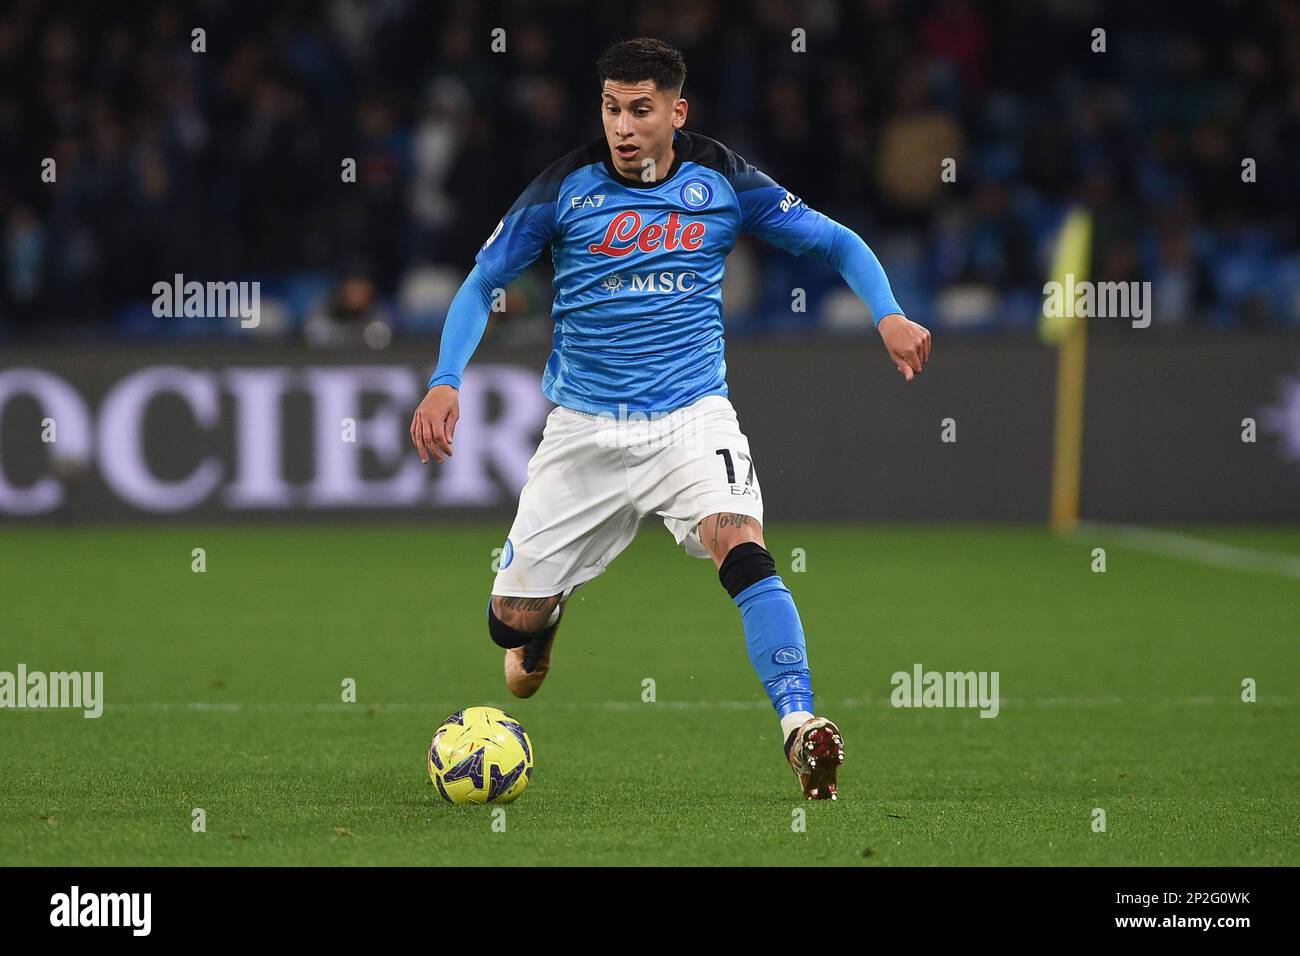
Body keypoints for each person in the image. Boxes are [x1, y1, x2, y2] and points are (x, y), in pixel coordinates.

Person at [411, 38, 931, 800]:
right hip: (583, 429)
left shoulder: (722, 179)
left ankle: (799, 726)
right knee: (511, 640)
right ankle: (547, 612)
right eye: (612, 108)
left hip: (691, 418)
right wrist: (445, 379)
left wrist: (887, 313)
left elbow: (834, 240)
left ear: (675, 112)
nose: (623, 126)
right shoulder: (565, 188)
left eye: (640, 110)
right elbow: (482, 280)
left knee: (741, 544)